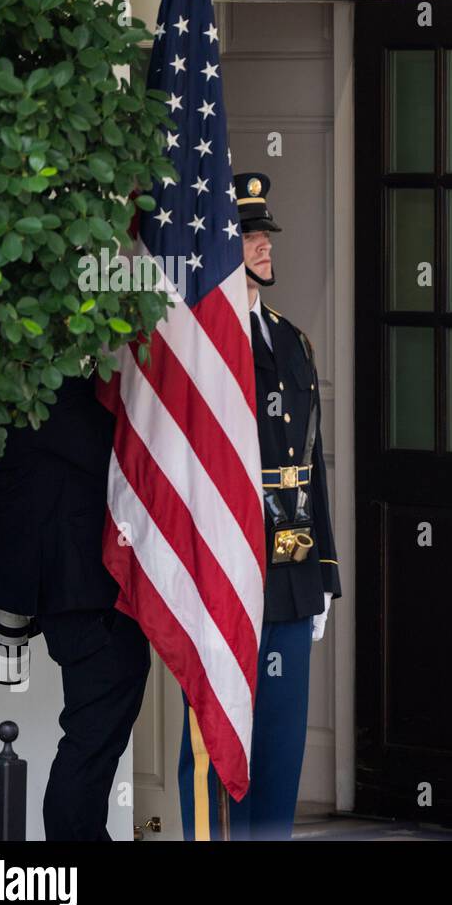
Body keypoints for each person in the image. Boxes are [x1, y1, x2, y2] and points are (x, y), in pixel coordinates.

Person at [177, 172, 341, 840]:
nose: (265, 246)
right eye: (250, 236)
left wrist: (325, 570)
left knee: (279, 747)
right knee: (218, 744)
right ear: (220, 248)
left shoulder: (292, 340)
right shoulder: (194, 346)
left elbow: (311, 468)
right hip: (225, 571)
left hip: (292, 572)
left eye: (265, 234)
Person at [0, 375, 151, 841]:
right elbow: (117, 452)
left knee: (91, 740)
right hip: (85, 595)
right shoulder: (43, 395)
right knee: (89, 744)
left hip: (77, 593)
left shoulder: (12, 393)